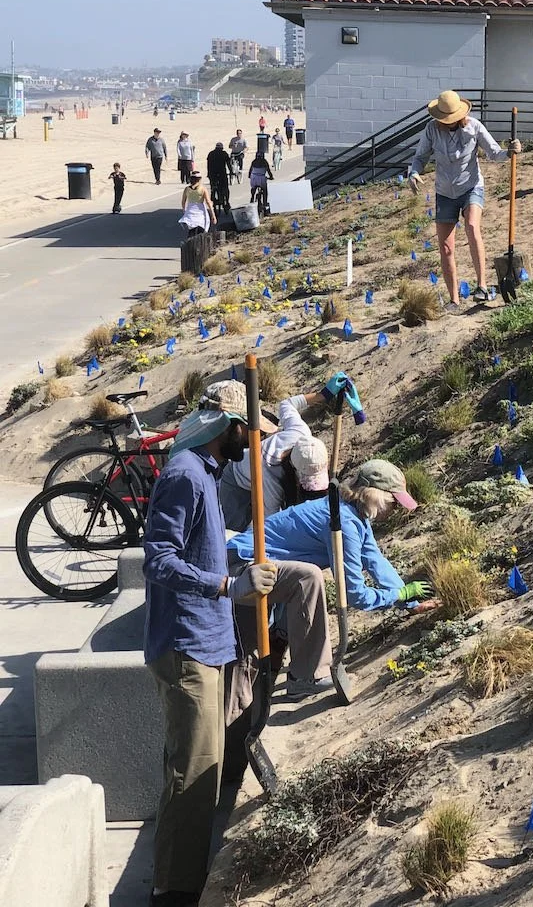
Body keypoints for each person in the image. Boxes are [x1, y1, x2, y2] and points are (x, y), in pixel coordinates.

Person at [142, 379, 277, 906]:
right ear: (230, 427)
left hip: (209, 640)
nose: (254, 440)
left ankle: (186, 880)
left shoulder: (207, 473)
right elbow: (160, 560)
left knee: (205, 768)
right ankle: (173, 891)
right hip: (186, 646)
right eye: (250, 431)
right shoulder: (184, 475)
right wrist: (225, 586)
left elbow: (201, 550)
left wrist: (237, 570)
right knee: (192, 773)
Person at [227, 460, 434, 612]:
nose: (395, 509)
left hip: (256, 564)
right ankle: (313, 672)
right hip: (245, 566)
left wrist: (410, 603)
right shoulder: (343, 523)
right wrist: (399, 594)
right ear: (375, 495)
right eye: (393, 502)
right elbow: (354, 595)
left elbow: (374, 560)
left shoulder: (352, 513)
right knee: (307, 586)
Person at [407, 90, 522, 310]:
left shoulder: (475, 127)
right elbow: (420, 157)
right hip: (444, 191)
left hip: (471, 187)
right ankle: (454, 299)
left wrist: (510, 152)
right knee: (446, 247)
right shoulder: (432, 130)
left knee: (471, 225)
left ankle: (482, 286)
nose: (447, 123)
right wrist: (414, 173)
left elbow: (494, 152)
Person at [219, 386, 332, 531]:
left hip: (258, 472)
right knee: (236, 530)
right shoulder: (270, 474)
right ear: (293, 467)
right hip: (236, 481)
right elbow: (269, 523)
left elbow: (287, 404)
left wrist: (323, 394)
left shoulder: (301, 432)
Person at [178, 171, 215, 237]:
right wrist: (213, 215)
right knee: (202, 228)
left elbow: (183, 202)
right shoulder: (203, 189)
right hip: (200, 211)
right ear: (200, 179)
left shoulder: (187, 189)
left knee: (191, 229)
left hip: (190, 211)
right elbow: (208, 202)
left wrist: (184, 211)